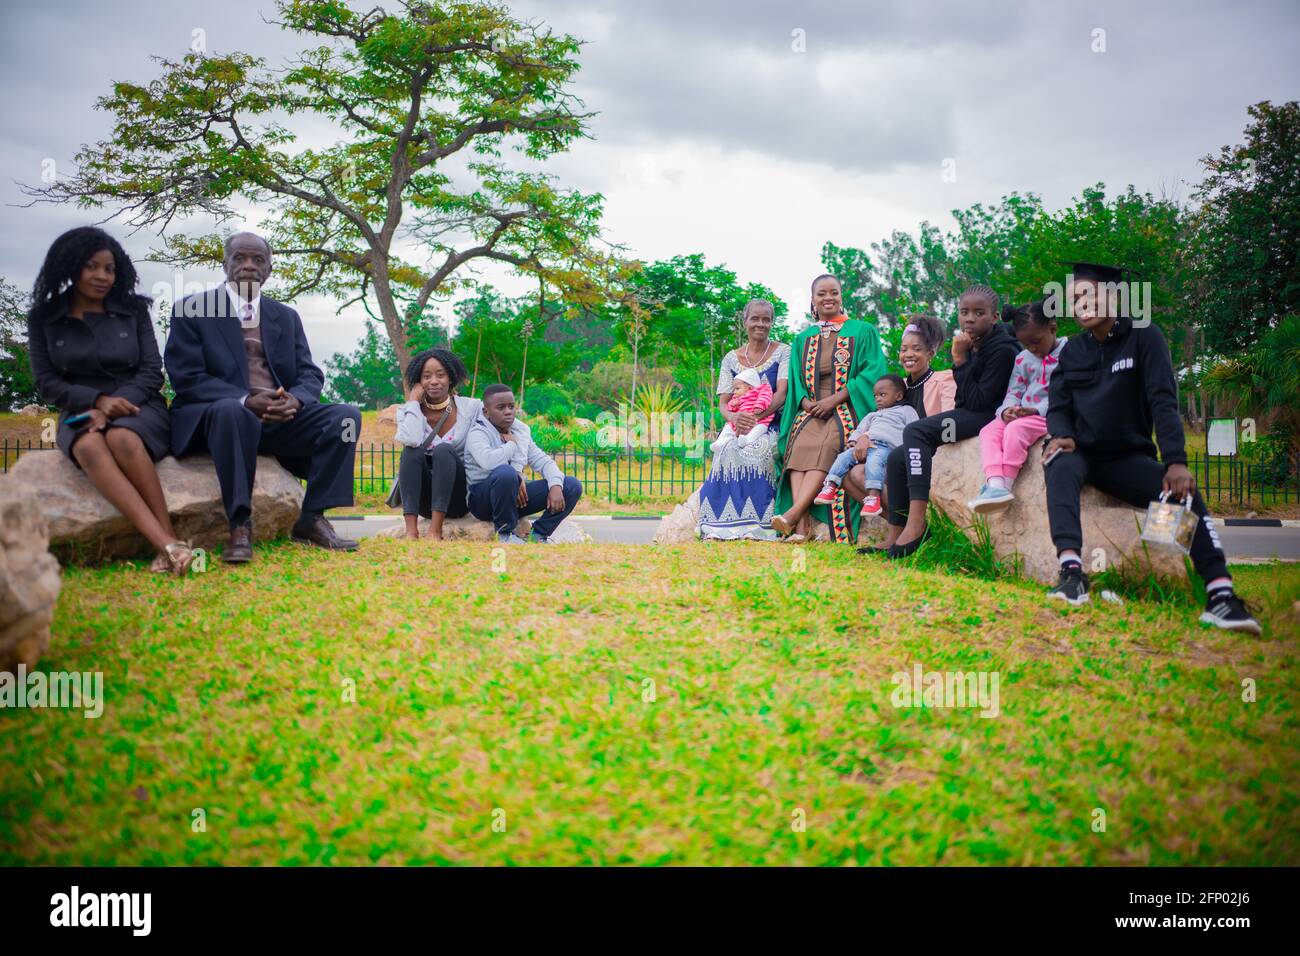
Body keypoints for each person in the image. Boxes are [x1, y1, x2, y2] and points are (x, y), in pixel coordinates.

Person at [1043, 261, 1260, 633]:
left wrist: (1175, 461)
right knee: (1059, 463)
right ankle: (1072, 575)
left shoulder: (1145, 337)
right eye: (1073, 298)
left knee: (1183, 495)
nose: (1079, 304)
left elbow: (1163, 400)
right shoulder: (1072, 351)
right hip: (1083, 454)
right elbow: (1059, 403)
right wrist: (1061, 432)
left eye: (1087, 294)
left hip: (1127, 460)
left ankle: (1220, 596)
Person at [164, 232, 361, 563]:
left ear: (269, 268)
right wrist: (245, 400)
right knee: (233, 410)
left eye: (258, 260)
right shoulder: (192, 310)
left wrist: (296, 400)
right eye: (239, 258)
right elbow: (186, 377)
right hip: (218, 419)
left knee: (345, 417)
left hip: (276, 418)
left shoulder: (285, 316)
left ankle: (311, 517)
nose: (248, 266)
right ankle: (240, 525)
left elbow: (310, 374)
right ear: (224, 264)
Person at [26, 227, 193, 575]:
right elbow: (47, 382)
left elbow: (152, 370)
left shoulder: (133, 310)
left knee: (122, 438)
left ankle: (170, 537)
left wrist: (116, 403)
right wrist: (97, 402)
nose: (102, 276)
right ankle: (166, 544)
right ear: (70, 267)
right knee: (88, 447)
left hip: (139, 404)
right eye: (92, 266)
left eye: (110, 268)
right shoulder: (44, 317)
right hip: (79, 407)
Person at [875, 285, 1019, 558]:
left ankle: (917, 524)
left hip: (989, 417)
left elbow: (977, 403)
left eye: (979, 313)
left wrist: (959, 359)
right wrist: (965, 358)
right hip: (974, 411)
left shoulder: (1002, 349)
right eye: (964, 312)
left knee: (916, 430)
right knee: (896, 458)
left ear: (996, 316)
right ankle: (895, 533)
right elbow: (968, 395)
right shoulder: (976, 343)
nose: (970, 319)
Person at [772, 275, 888, 543]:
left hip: (847, 408)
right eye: (821, 294)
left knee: (825, 447)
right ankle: (802, 528)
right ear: (812, 300)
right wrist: (805, 403)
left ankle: (792, 515)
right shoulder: (803, 338)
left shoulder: (862, 331)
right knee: (797, 446)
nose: (828, 298)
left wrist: (833, 400)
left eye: (833, 293)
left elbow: (872, 373)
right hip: (811, 409)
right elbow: (796, 382)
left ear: (841, 297)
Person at [842, 315, 955, 520]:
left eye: (917, 349)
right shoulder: (897, 386)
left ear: (931, 353)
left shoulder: (944, 380)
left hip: (926, 456)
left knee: (860, 474)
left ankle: (917, 523)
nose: (908, 354)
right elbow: (880, 418)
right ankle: (906, 525)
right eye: (904, 349)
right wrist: (865, 435)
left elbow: (949, 421)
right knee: (850, 475)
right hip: (892, 455)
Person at [697, 299, 790, 540]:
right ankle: (718, 525)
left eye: (766, 319)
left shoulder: (783, 352)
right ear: (745, 321)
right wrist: (735, 418)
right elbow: (723, 403)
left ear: (772, 322)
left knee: (758, 450)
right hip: (736, 423)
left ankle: (758, 526)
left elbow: (782, 393)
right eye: (755, 319)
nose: (760, 324)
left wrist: (756, 417)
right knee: (725, 448)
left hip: (770, 424)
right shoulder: (731, 358)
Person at [968, 301, 1067, 514]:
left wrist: (1037, 409)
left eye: (1036, 342)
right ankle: (994, 483)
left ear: (1053, 328)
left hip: (1048, 413)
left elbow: (1068, 392)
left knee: (1015, 430)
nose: (1032, 348)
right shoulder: (1023, 359)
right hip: (1022, 414)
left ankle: (1006, 484)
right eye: (1026, 344)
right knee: (989, 430)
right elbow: (1014, 390)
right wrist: (1007, 410)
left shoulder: (1069, 353)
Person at [464, 384, 583, 543]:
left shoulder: (519, 432)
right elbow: (488, 462)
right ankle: (505, 534)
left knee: (571, 485)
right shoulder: (477, 433)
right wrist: (511, 446)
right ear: (486, 412)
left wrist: (555, 485)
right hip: (483, 500)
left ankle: (538, 535)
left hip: (513, 498)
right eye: (500, 407)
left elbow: (543, 461)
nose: (508, 411)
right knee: (506, 473)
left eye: (511, 406)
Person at [393, 348, 483, 540]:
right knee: (411, 451)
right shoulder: (408, 411)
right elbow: (410, 439)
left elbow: (506, 420)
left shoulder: (471, 407)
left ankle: (435, 532)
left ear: (450, 378)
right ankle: (411, 531)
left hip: (459, 498)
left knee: (444, 450)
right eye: (426, 376)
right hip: (425, 501)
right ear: (419, 382)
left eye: (440, 375)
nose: (433, 381)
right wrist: (413, 402)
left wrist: (510, 436)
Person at [815, 374, 917, 517]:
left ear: (898, 396)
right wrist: (852, 442)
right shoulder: (872, 415)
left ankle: (874, 497)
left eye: (882, 395)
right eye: (875, 396)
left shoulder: (906, 411)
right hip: (865, 445)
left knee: (873, 464)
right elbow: (860, 430)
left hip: (886, 447)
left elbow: (913, 430)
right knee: (842, 457)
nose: (878, 399)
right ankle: (830, 486)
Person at [711, 367, 774, 452]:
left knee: (760, 429)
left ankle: (747, 439)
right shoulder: (738, 398)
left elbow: (765, 397)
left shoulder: (760, 389)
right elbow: (731, 409)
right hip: (741, 421)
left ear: (750, 387)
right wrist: (733, 405)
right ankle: (720, 442)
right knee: (728, 427)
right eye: (734, 389)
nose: (734, 392)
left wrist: (759, 406)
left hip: (759, 420)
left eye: (737, 388)